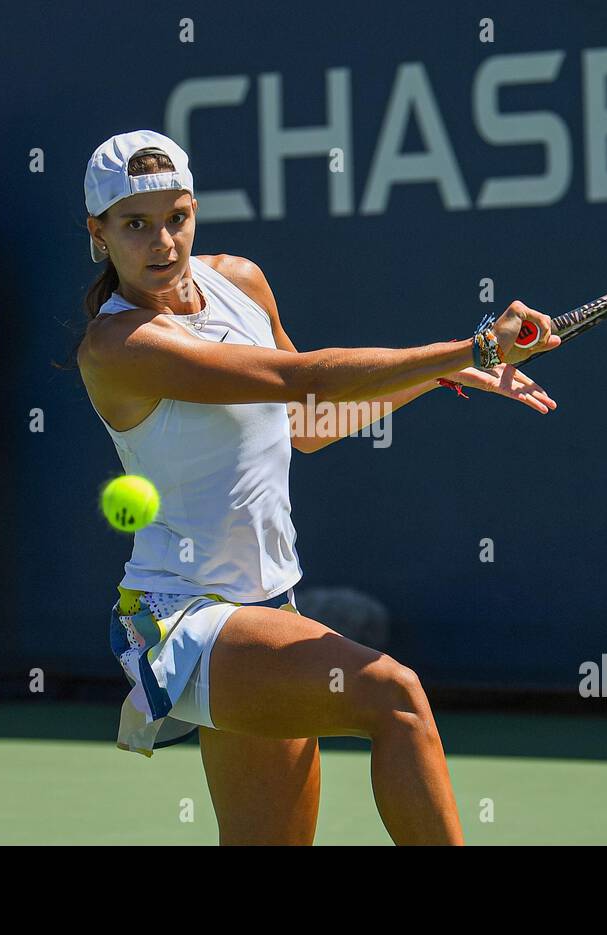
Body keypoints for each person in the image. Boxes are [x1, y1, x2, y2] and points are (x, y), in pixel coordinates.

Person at [76, 130, 560, 845]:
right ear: (99, 234)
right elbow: (295, 377)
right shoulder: (119, 347)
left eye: (175, 216)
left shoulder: (239, 282)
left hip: (268, 606)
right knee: (395, 695)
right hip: (180, 618)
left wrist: (434, 374)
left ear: (195, 210)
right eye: (134, 224)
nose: (163, 242)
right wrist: (474, 346)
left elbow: (308, 420)